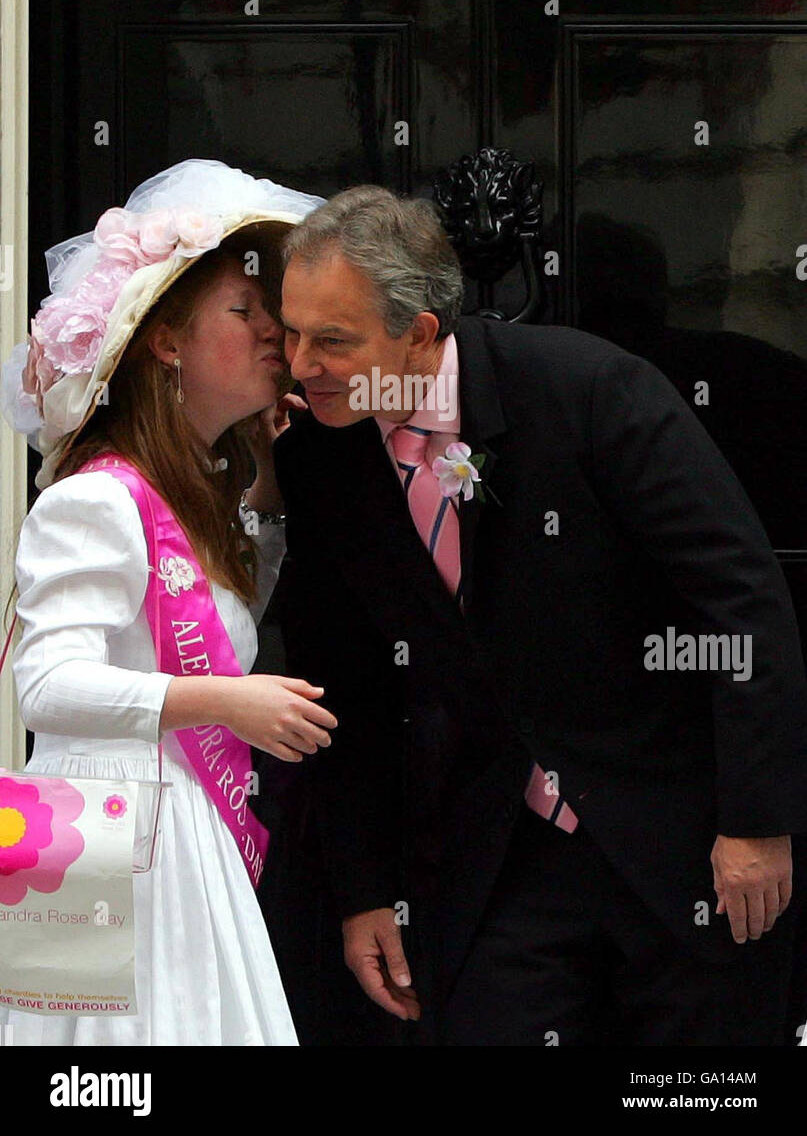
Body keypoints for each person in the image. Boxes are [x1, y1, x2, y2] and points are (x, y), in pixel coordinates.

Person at [272, 183, 807, 1046]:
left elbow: (738, 598)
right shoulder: (321, 459)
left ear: (418, 333)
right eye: (290, 331)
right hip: (498, 859)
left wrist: (755, 818)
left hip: (684, 839)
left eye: (332, 340)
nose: (299, 364)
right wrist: (364, 887)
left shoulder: (588, 390)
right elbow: (348, 684)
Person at [0, 158, 336, 1046]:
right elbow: (45, 685)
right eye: (245, 311)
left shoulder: (196, 501)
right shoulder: (95, 499)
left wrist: (264, 472)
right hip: (101, 835)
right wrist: (223, 702)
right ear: (165, 342)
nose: (277, 334)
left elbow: (226, 622)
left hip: (182, 834)